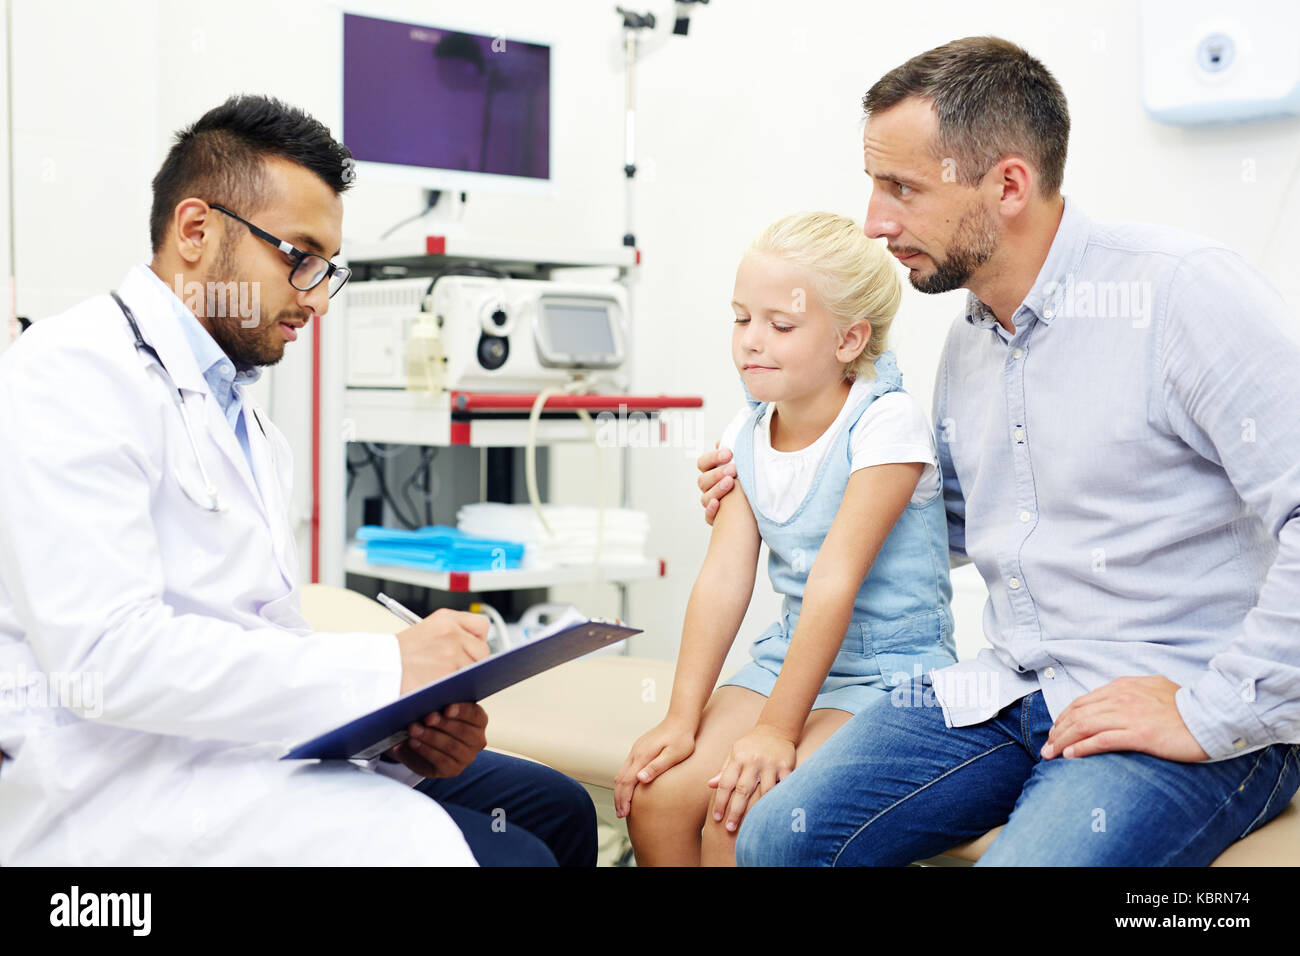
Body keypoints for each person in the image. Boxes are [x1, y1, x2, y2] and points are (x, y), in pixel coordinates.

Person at [696, 36, 1300, 866]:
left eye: (901, 188)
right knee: (777, 838)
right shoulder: (973, 342)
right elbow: (932, 529)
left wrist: (1212, 710)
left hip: (1179, 694)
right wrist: (780, 487)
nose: (874, 221)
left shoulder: (1180, 294)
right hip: (1011, 687)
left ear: (1008, 184)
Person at [0, 94, 594, 866]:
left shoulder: (248, 424)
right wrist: (386, 664)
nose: (314, 297)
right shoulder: (68, 374)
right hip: (120, 790)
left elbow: (271, 643)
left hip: (244, 756)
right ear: (194, 230)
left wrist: (398, 729)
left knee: (557, 811)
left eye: (327, 270)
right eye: (299, 256)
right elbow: (104, 662)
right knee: (518, 856)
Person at [614, 212, 957, 866]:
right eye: (742, 318)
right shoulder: (743, 434)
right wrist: (680, 719)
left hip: (890, 671)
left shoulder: (887, 424)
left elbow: (835, 580)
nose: (752, 342)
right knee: (657, 796)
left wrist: (776, 730)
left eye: (781, 325)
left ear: (849, 339)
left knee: (738, 821)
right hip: (791, 656)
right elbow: (723, 580)